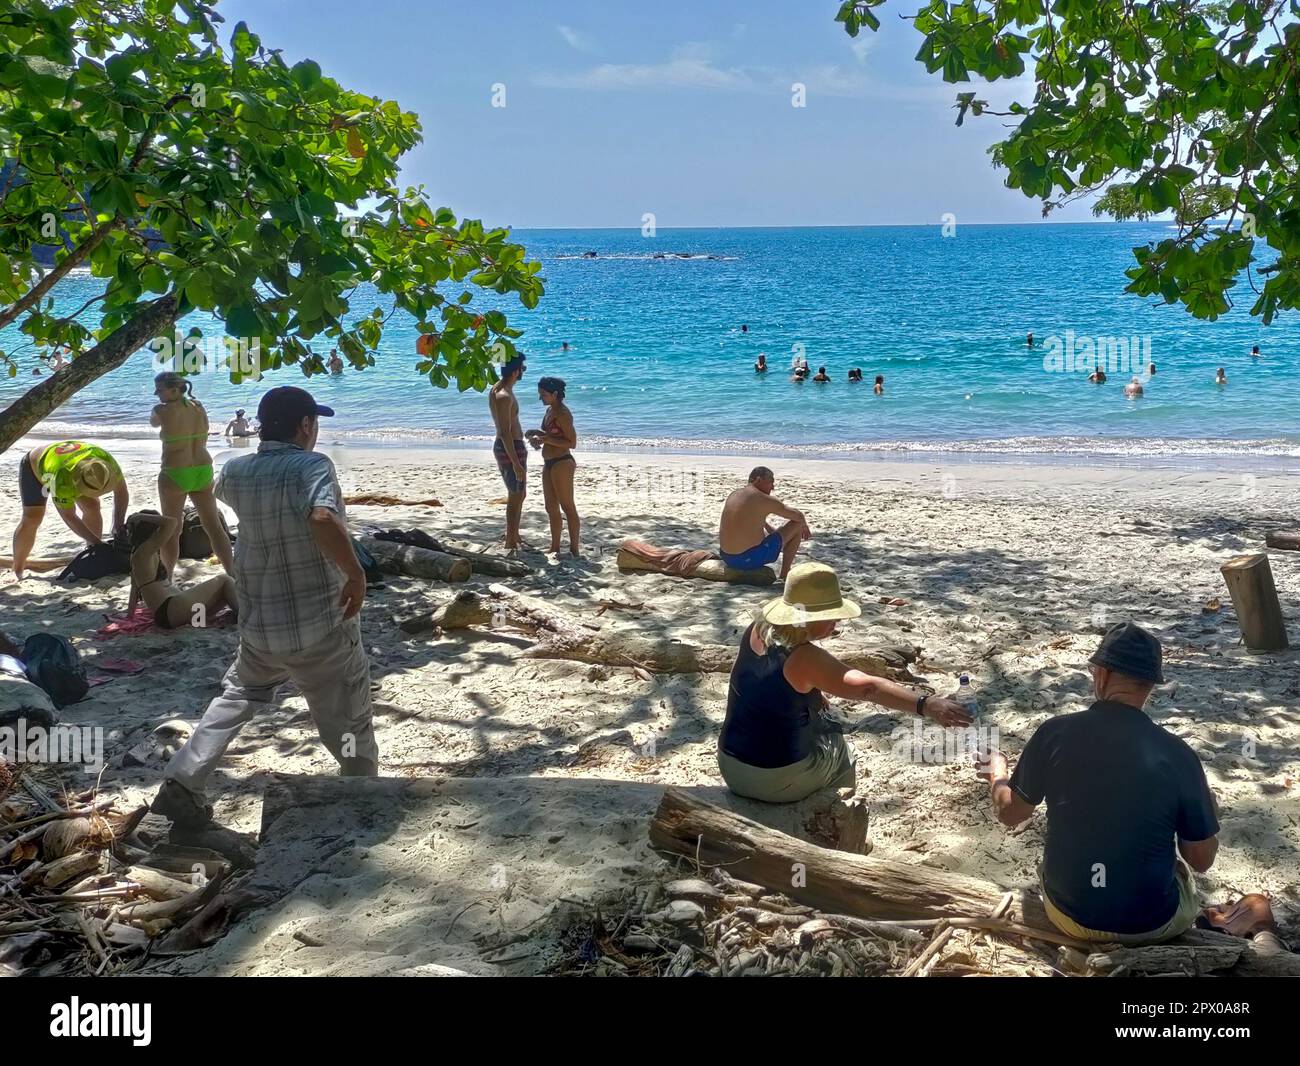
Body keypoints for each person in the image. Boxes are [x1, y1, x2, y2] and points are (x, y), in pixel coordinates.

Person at [150, 386, 378, 850]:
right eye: (315, 423)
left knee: (238, 694)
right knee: (347, 719)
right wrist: (354, 571)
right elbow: (320, 518)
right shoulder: (313, 466)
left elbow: (227, 498)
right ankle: (361, 793)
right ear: (306, 426)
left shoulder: (235, 471)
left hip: (259, 620)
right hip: (320, 624)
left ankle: (183, 779)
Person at [977, 622, 1218, 946]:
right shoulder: (1179, 755)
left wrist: (998, 775)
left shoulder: (1054, 734)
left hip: (1067, 914)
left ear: (1101, 675)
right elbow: (1201, 860)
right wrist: (1209, 811)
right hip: (1149, 926)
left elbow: (1010, 814)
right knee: (1177, 872)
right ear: (1149, 686)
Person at [720, 562, 970, 803]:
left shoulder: (759, 627)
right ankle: (838, 816)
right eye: (830, 616)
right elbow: (868, 688)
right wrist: (926, 705)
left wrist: (811, 692)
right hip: (773, 780)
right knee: (838, 746)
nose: (836, 623)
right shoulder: (805, 657)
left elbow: (758, 683)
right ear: (807, 617)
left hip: (730, 765)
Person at [151, 372, 232, 576]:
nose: (156, 394)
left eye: (160, 390)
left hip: (175, 472)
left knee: (172, 530)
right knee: (214, 526)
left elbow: (153, 423)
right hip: (203, 470)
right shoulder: (199, 407)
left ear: (174, 390)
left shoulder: (161, 410)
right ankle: (232, 572)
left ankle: (167, 578)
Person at [10, 441, 128, 580]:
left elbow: (122, 493)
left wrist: (118, 525)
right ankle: (17, 567)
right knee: (32, 518)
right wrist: (98, 542)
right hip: (35, 468)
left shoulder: (105, 463)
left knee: (92, 506)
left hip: (73, 464)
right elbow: (69, 517)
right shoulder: (62, 481)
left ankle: (92, 552)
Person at [126, 512, 237, 630]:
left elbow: (134, 589)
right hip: (171, 609)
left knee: (224, 594)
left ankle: (240, 613)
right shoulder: (146, 549)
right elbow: (171, 522)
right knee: (225, 580)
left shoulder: (138, 554)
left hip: (168, 615)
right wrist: (140, 516)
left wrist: (129, 616)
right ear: (152, 532)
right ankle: (247, 616)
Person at [719, 466, 809, 579]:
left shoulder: (734, 494)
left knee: (778, 533)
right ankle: (785, 574)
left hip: (727, 557)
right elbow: (798, 516)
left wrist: (779, 536)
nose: (773, 487)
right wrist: (804, 525)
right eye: (771, 482)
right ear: (758, 480)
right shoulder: (762, 498)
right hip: (747, 560)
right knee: (797, 524)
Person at [525, 376, 580, 557]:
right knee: (550, 506)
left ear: (555, 394)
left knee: (567, 506)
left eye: (544, 395)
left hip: (562, 462)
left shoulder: (563, 414)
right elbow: (550, 435)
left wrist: (546, 439)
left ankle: (574, 548)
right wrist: (537, 435)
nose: (541, 398)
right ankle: (555, 546)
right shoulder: (549, 411)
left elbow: (571, 442)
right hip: (548, 462)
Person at [490, 354, 528, 551]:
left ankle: (514, 534)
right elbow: (505, 432)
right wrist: (516, 462)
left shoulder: (499, 388)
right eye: (523, 368)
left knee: (520, 494)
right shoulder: (503, 396)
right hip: (510, 447)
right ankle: (510, 540)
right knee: (515, 494)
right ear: (515, 372)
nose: (524, 371)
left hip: (512, 445)